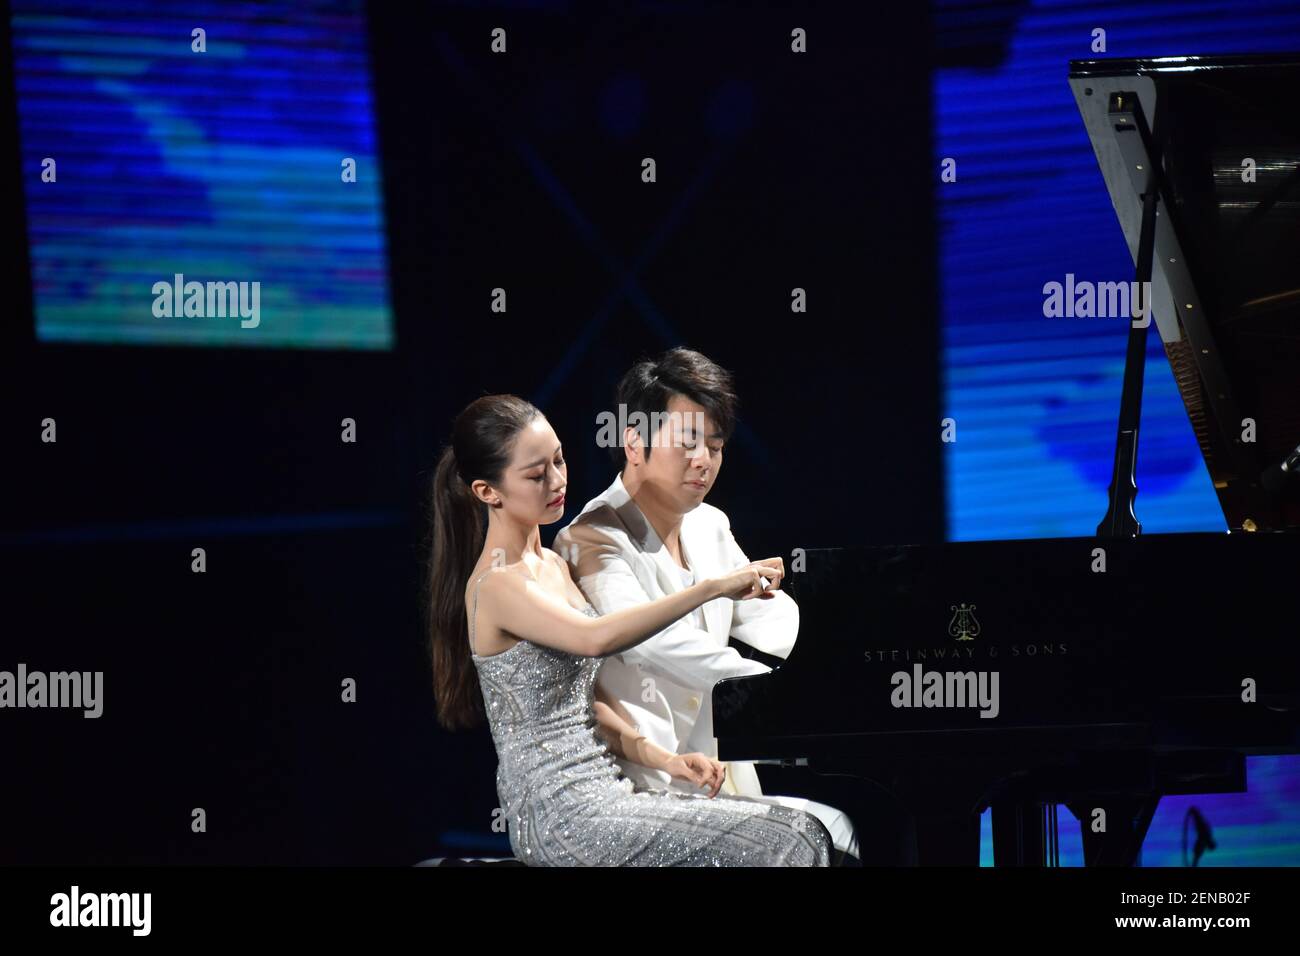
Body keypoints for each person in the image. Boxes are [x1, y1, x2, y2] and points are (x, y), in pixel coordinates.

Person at [427, 393, 833, 865]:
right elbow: (597, 638)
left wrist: (665, 759)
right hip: (562, 816)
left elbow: (584, 706)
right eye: (537, 475)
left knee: (801, 831)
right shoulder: (497, 584)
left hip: (608, 790)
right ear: (486, 492)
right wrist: (712, 588)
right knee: (792, 840)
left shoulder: (555, 565)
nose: (558, 480)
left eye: (559, 460)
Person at [555, 348, 860, 862]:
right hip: (639, 784)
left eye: (715, 447)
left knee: (837, 827)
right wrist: (784, 689)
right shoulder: (591, 538)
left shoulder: (709, 524)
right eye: (688, 444)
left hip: (718, 777)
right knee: (817, 833)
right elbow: (656, 645)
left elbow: (772, 618)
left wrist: (848, 659)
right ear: (634, 442)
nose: (705, 461)